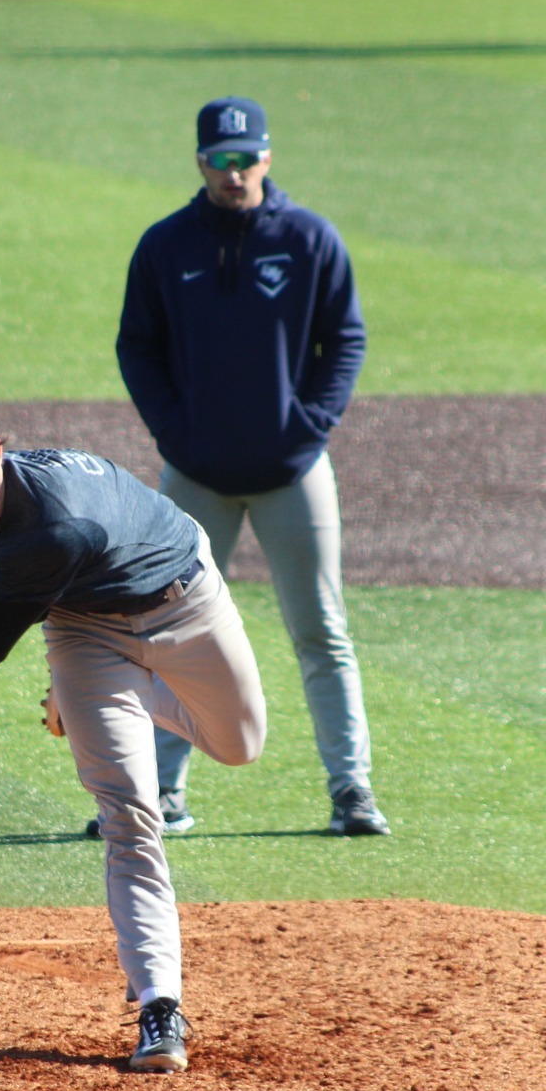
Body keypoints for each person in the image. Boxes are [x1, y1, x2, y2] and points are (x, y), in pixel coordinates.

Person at [0, 394, 266, 1073]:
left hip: (185, 603)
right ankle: (162, 1009)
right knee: (130, 817)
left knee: (239, 746)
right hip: (83, 629)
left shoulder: (56, 522)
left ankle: (107, 700)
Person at [110, 94, 388, 839]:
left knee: (322, 631)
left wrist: (310, 427)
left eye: (247, 158)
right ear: (200, 162)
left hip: (292, 472)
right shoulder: (167, 247)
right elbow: (136, 344)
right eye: (219, 160)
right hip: (194, 476)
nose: (234, 173)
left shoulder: (308, 240)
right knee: (169, 633)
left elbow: (346, 340)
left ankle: (352, 791)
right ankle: (161, 793)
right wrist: (174, 431)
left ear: (267, 157)